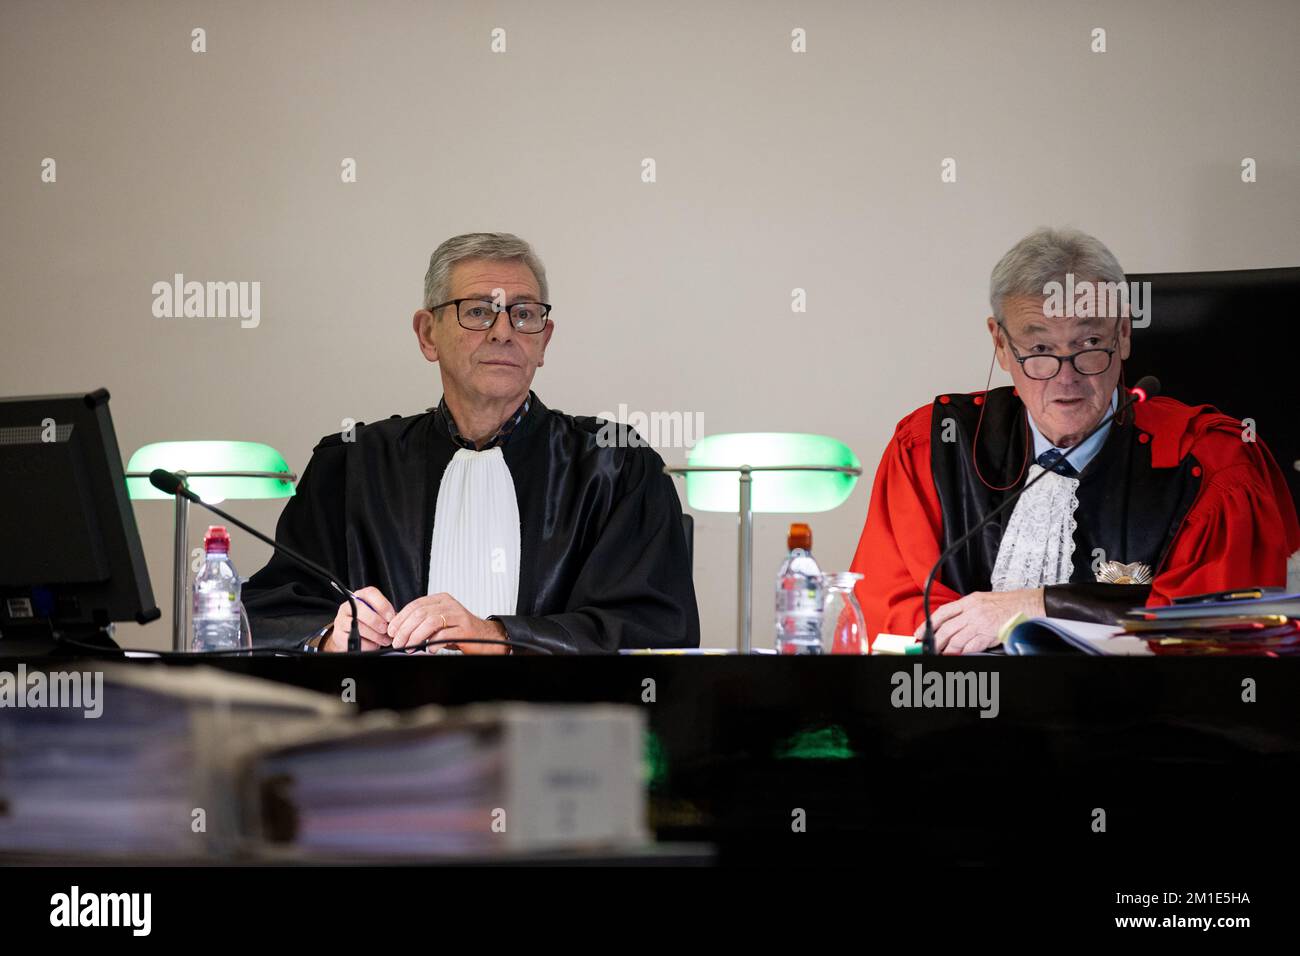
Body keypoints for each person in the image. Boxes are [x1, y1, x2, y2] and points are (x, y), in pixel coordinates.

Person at [243, 232, 699, 654]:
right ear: (427, 334)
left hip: (558, 729)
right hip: (385, 730)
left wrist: (503, 637)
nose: (503, 331)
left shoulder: (617, 465)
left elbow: (658, 630)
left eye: (523, 314)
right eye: (479, 310)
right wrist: (329, 635)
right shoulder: (350, 465)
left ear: (543, 341)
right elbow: (265, 616)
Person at [850, 227, 1300, 654]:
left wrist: (1036, 605)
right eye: (1040, 350)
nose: (1066, 379)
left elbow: (1216, 632)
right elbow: (893, 615)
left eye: (1089, 343)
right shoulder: (931, 448)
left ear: (1123, 335)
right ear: (1001, 345)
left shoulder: (1210, 462)